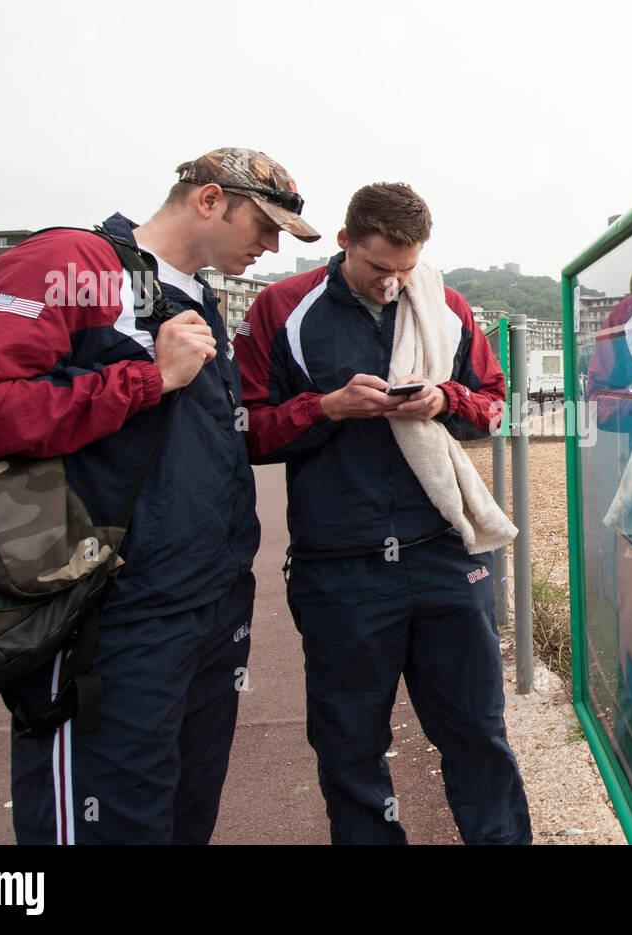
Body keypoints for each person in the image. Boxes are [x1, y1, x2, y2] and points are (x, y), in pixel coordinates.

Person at [0, 147, 320, 844]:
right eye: (265, 224)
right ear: (208, 200)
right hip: (110, 621)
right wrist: (145, 382)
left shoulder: (196, 295)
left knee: (181, 821)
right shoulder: (73, 264)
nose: (273, 245)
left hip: (208, 614)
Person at [235, 182, 531, 845]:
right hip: (339, 564)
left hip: (445, 553)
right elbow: (245, 431)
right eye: (378, 269)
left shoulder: (446, 304)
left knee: (479, 734)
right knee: (350, 747)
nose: (394, 284)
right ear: (343, 243)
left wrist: (446, 398)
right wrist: (325, 408)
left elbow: (493, 404)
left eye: (406, 269)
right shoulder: (281, 307)